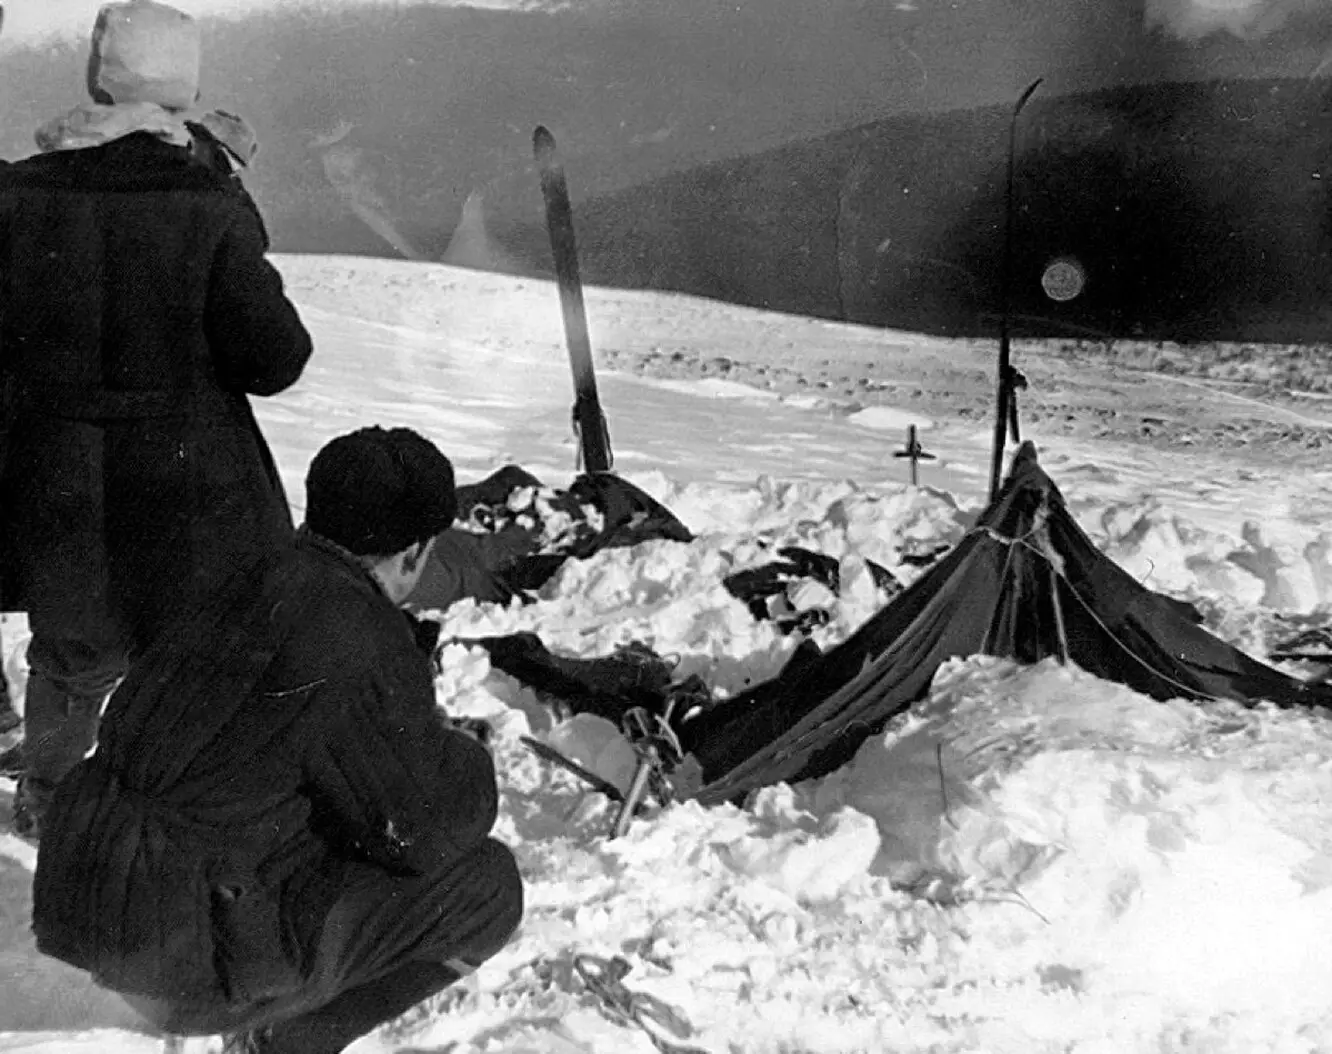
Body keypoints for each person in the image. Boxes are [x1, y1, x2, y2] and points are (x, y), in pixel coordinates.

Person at [31, 426, 524, 1054]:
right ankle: (286, 1041)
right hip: (182, 963)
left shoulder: (236, 573)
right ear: (414, 553)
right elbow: (424, 831)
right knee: (486, 887)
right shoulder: (356, 630)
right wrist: (465, 754)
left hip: (86, 900)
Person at [0, 0, 313, 836]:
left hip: (54, 471)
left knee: (69, 651)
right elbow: (276, 360)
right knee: (187, 653)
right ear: (188, 86)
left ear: (95, 77)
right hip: (186, 476)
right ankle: (173, 809)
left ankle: (51, 801)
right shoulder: (207, 199)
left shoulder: (14, 195)